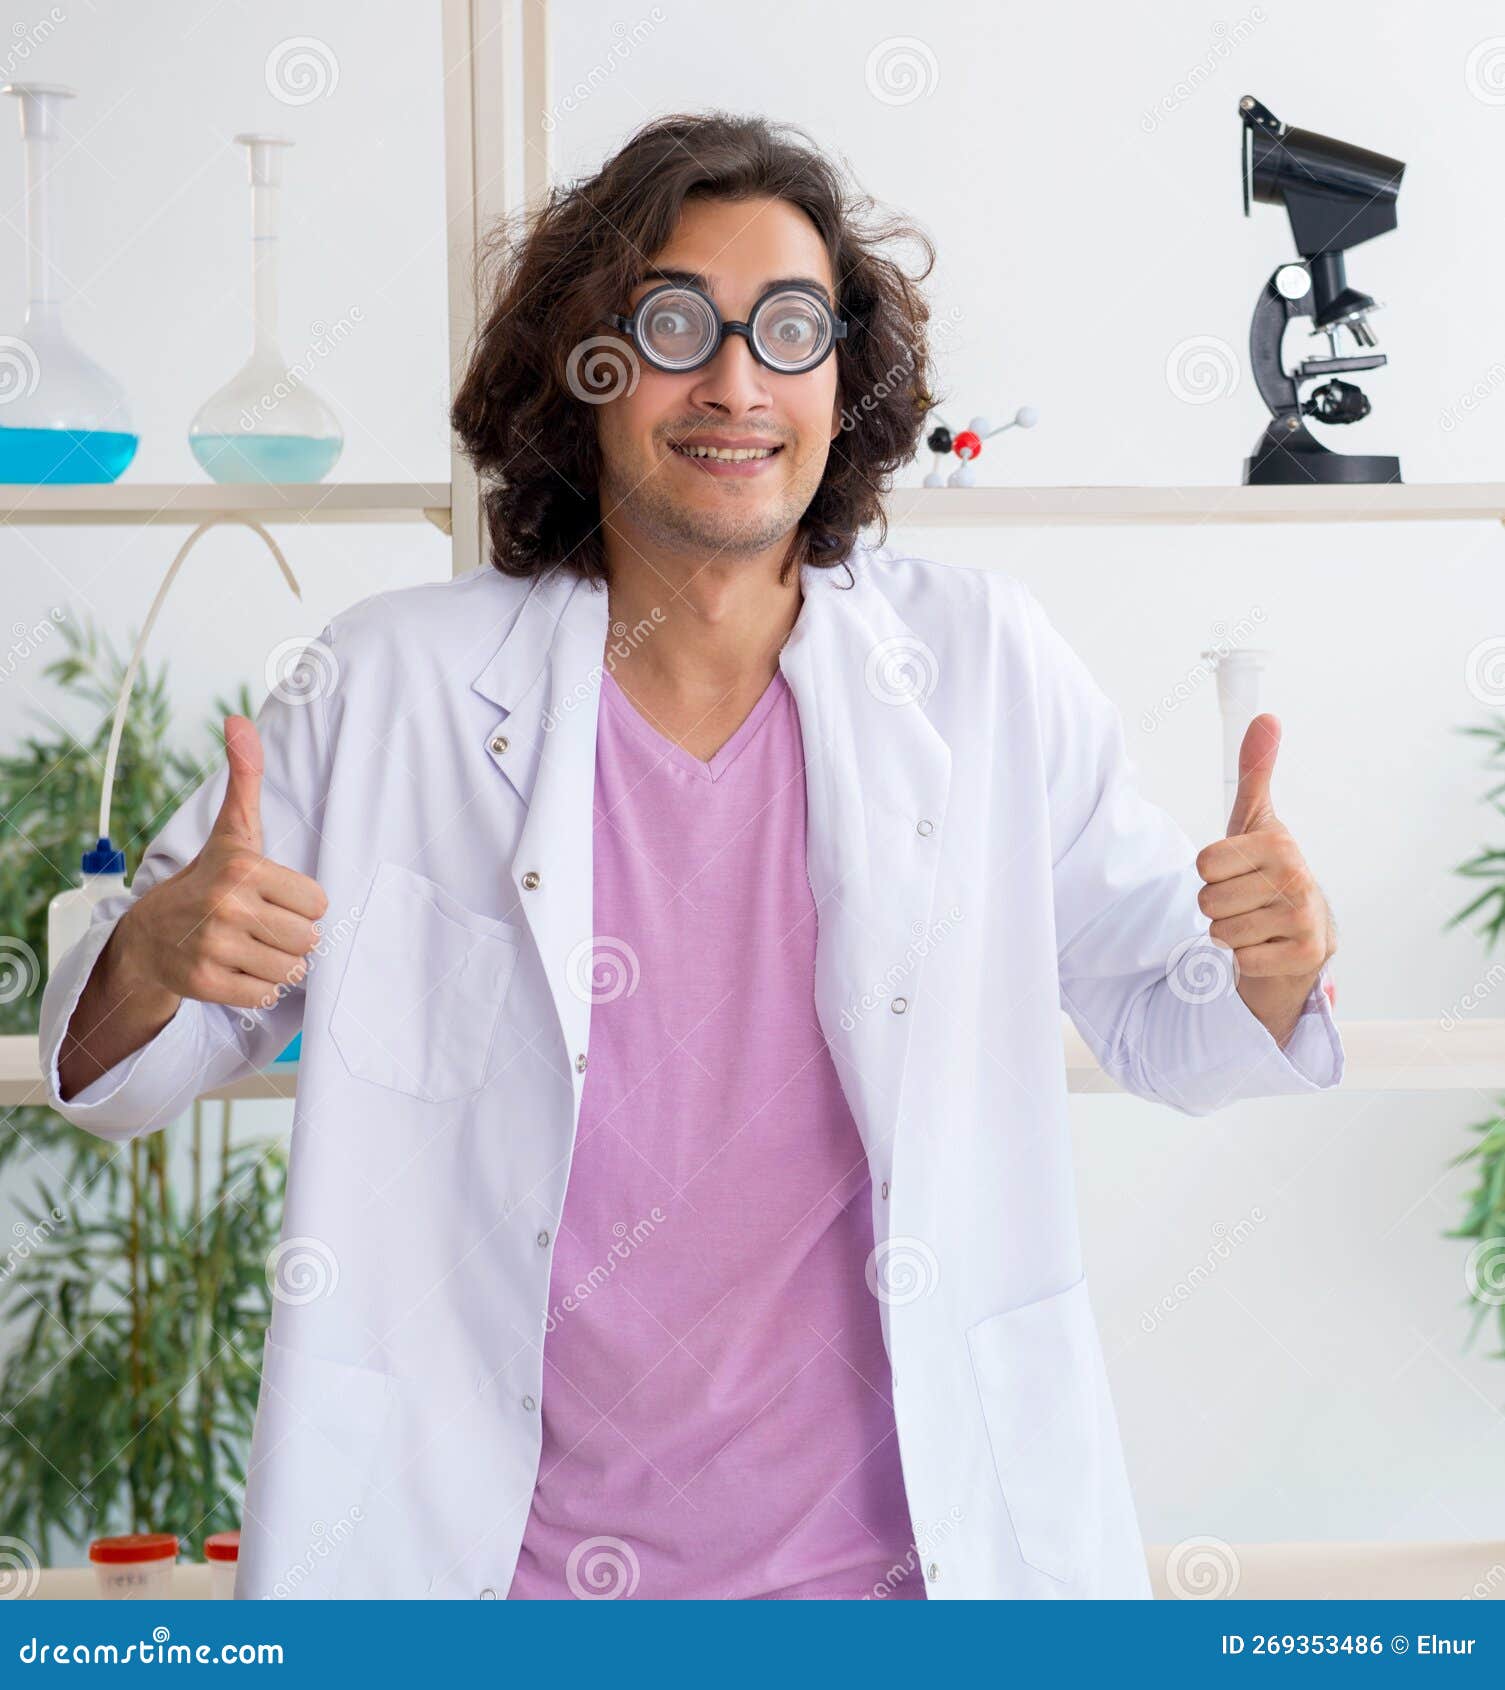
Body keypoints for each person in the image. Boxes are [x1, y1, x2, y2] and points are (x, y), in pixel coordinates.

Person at [41, 111, 1342, 1601]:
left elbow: (1173, 1024)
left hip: (914, 1582)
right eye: (673, 326)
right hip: (485, 1586)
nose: (735, 381)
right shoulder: (385, 687)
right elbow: (123, 1074)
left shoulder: (981, 666)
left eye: (789, 329)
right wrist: (150, 953)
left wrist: (1268, 964)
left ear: (843, 380)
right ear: (578, 375)